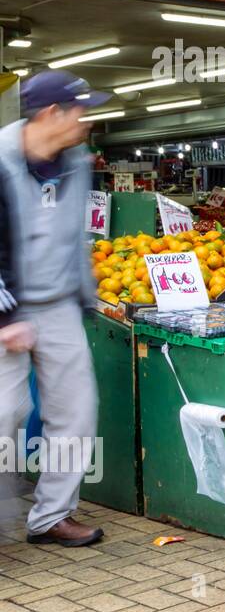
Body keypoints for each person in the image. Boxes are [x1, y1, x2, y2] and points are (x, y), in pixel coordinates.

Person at [0, 69, 107, 547]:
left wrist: (87, 294)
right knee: (5, 412)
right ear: (51, 113)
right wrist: (7, 318)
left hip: (58, 302)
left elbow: (73, 235)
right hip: (6, 303)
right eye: (81, 111)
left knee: (77, 411)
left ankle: (50, 516)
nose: (87, 121)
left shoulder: (77, 159)